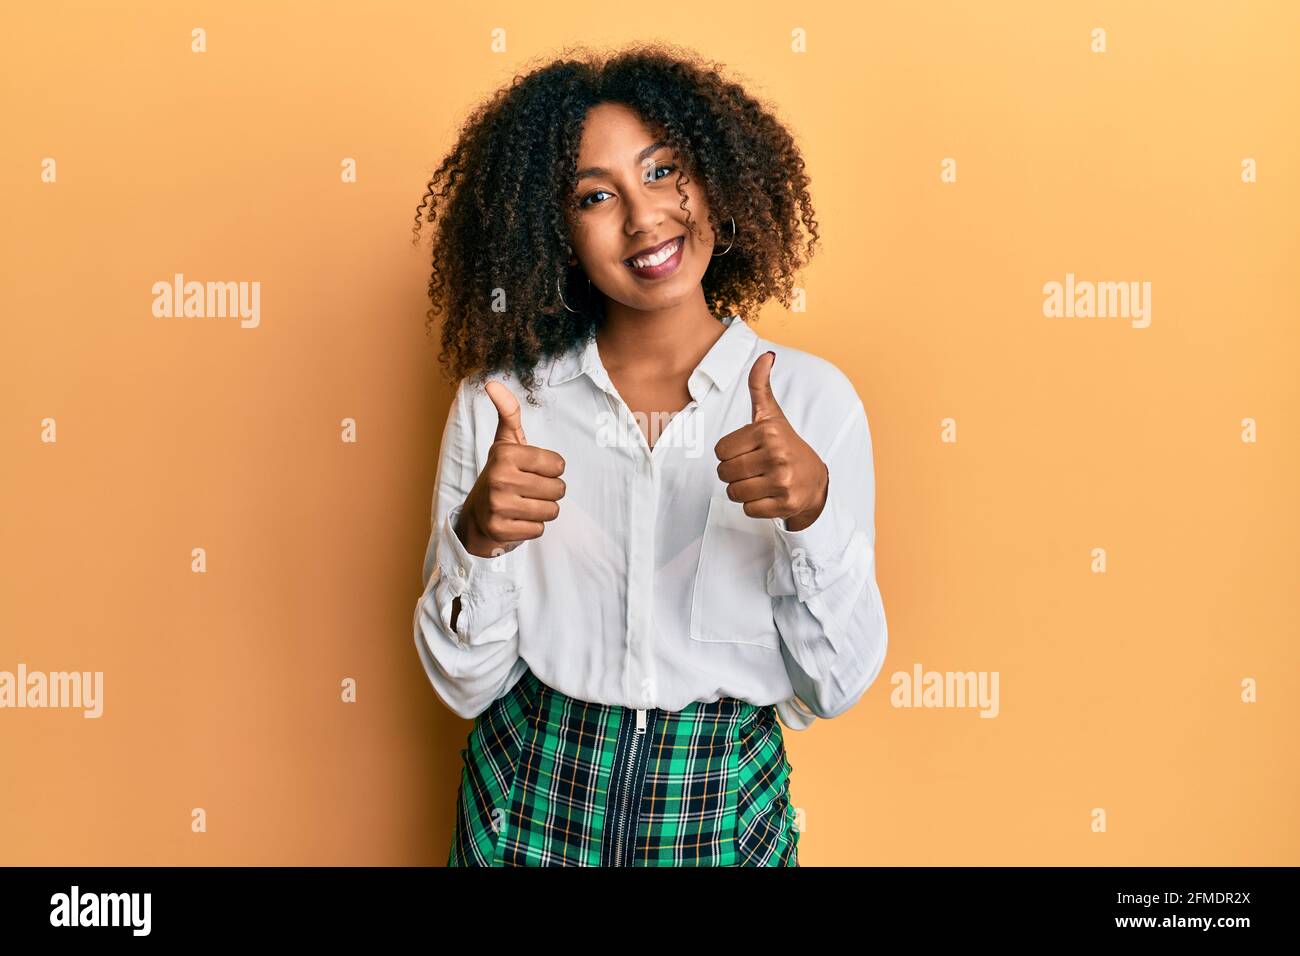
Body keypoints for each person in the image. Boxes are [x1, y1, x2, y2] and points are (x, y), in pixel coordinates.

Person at [410, 43, 888, 866]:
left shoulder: (812, 403)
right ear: (554, 230)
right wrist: (478, 542)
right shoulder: (504, 406)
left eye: (665, 172)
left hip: (722, 812)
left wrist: (811, 518)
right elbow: (464, 685)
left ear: (715, 181)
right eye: (597, 195)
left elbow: (832, 690)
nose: (643, 217)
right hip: (525, 801)